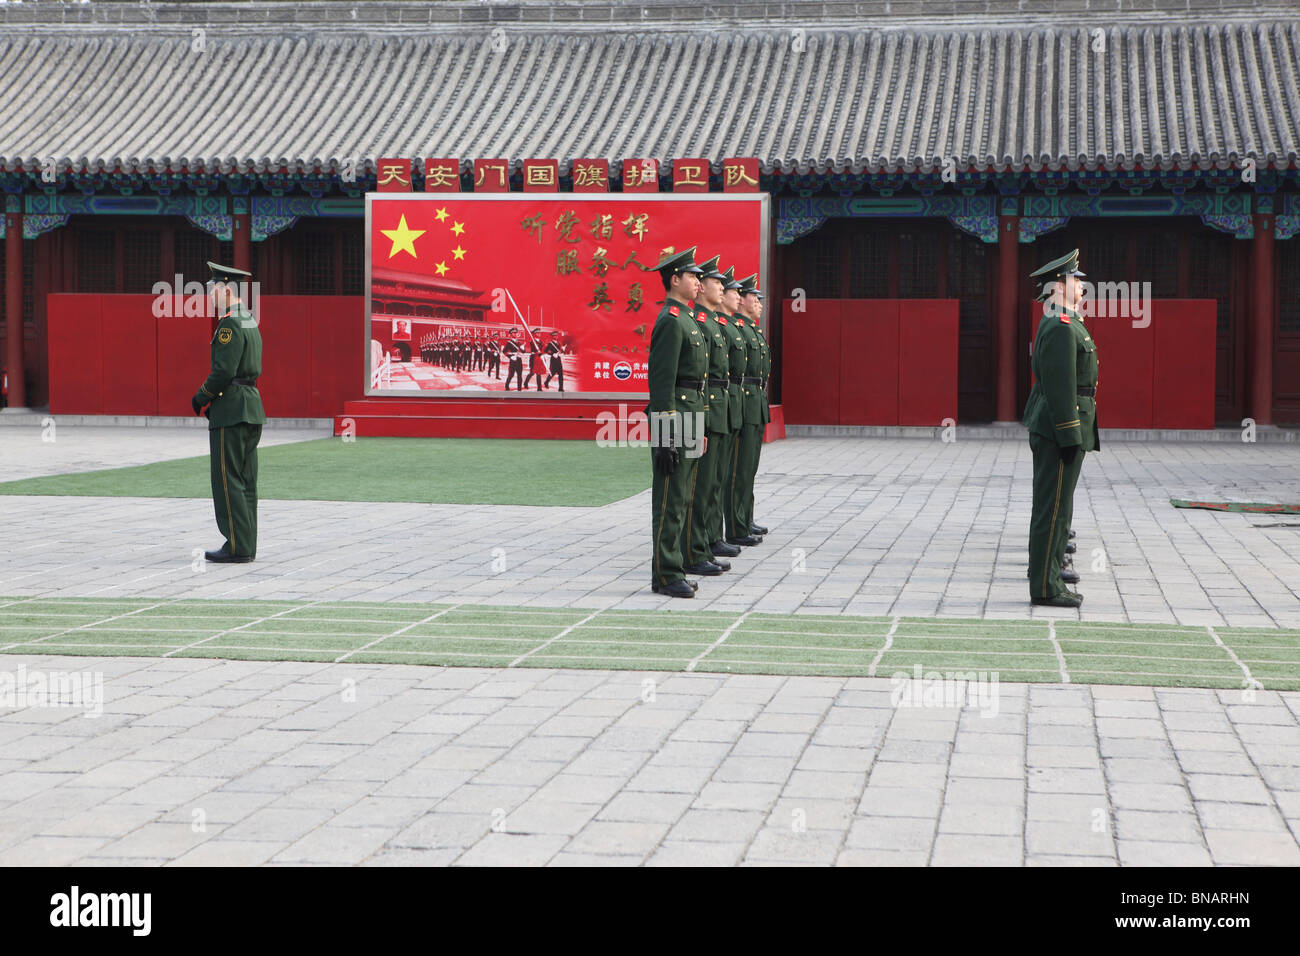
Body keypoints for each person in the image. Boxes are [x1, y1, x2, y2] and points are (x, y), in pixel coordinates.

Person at [1023, 248, 1099, 608]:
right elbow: (1058, 385)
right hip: (1059, 428)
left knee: (1060, 508)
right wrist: (1070, 432)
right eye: (1076, 282)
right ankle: (1044, 587)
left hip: (1066, 426)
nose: (1082, 288)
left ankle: (1051, 578)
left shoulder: (1065, 320)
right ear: (1058, 286)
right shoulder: (1059, 324)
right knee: (1051, 509)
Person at [192, 261, 265, 563]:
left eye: (211, 290)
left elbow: (223, 371)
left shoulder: (229, 323)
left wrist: (201, 397)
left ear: (224, 289)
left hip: (231, 409)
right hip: (251, 406)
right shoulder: (248, 319)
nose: (209, 296)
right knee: (246, 480)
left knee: (227, 479)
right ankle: (246, 544)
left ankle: (235, 545)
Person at [645, 246, 707, 598]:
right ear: (675, 279)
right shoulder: (670, 320)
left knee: (683, 497)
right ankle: (666, 574)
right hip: (676, 418)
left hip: (691, 415)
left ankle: (675, 566)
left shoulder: (686, 318)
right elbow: (662, 381)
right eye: (693, 276)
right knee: (669, 500)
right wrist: (666, 435)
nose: (698, 282)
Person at [681, 256, 730, 577]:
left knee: (712, 483)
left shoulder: (709, 322)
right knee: (693, 489)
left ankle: (705, 542)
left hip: (711, 408)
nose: (726, 292)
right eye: (718, 284)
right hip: (692, 411)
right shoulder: (684, 320)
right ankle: (693, 550)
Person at [741, 274, 770, 537]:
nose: (759, 303)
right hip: (742, 400)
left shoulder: (752, 330)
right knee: (737, 470)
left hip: (755, 400)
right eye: (755, 298)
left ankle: (745, 519)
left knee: (749, 467)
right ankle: (737, 524)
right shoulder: (737, 328)